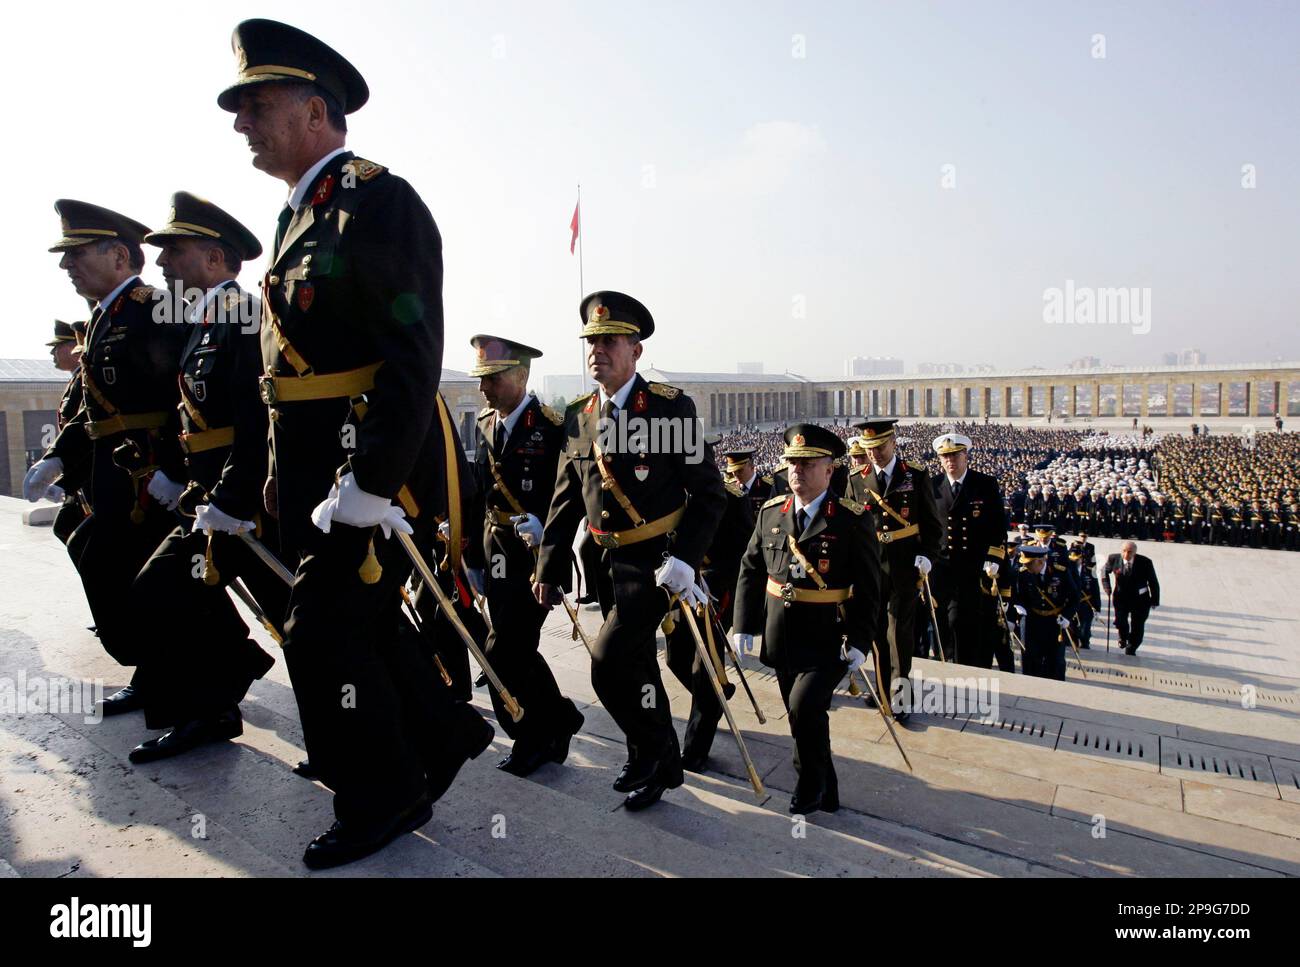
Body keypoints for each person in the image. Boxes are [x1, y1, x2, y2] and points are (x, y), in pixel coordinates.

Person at [222, 17, 491, 868]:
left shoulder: (380, 201)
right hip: (306, 469)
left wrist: (371, 481)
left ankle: (383, 794)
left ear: (314, 110)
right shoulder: (296, 217)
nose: (241, 124)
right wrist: (273, 474)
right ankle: (444, 732)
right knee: (362, 624)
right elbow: (284, 375)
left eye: (255, 105)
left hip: (360, 467)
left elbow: (413, 357)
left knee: (318, 632)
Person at [533, 290, 726, 810]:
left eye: (610, 340)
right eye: (592, 341)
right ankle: (662, 769)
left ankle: (651, 749)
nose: (598, 349)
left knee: (606, 662)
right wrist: (548, 567)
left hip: (657, 563)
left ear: (635, 351)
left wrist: (686, 560)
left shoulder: (668, 407)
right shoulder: (577, 416)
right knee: (639, 668)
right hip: (603, 562)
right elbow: (565, 498)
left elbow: (709, 493)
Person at [125, 193, 284, 763]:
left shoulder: (243, 316)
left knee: (306, 618)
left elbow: (255, 417)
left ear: (215, 259)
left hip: (243, 500)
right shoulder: (205, 321)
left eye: (174, 252)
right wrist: (176, 473)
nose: (163, 265)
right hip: (210, 493)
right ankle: (211, 708)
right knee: (175, 590)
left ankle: (420, 723)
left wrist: (232, 497)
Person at [24, 200, 188, 714]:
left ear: (119, 255)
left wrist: (177, 472)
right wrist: (59, 457)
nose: (66, 266)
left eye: (76, 254)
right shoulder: (102, 318)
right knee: (107, 561)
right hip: (111, 472)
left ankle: (189, 679)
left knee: (143, 574)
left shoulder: (154, 307)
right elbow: (93, 405)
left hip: (148, 474)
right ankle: (154, 669)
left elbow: (190, 396)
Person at [733, 424, 880, 814]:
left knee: (804, 706)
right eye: (793, 463)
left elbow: (868, 587)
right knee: (802, 717)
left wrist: (862, 640)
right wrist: (744, 624)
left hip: (828, 635)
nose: (797, 471)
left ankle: (808, 784)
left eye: (808, 463)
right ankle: (827, 791)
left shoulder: (851, 519)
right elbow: (751, 568)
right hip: (781, 635)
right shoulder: (771, 513)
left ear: (830, 470)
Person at [466, 334, 584, 776]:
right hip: (496, 549)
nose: (484, 389)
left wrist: (546, 527)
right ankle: (558, 720)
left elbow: (576, 495)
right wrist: (474, 558)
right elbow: (481, 495)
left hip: (537, 557)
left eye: (493, 378)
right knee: (517, 649)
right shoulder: (485, 423)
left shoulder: (554, 426)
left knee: (504, 648)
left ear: (521, 374)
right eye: (481, 378)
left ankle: (531, 733)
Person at [663, 435, 754, 771]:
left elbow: (746, 554)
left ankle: (696, 746)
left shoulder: (731, 497)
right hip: (677, 588)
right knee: (676, 659)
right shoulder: (666, 496)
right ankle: (715, 697)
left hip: (716, 590)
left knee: (706, 666)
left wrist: (709, 579)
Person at [845, 418, 941, 720]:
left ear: (893, 442)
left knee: (899, 633)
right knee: (875, 634)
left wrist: (928, 554)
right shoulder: (856, 479)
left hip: (904, 565)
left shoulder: (914, 474)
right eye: (870, 448)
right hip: (871, 567)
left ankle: (901, 699)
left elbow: (933, 524)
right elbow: (851, 529)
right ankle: (884, 691)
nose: (875, 454)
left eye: (880, 447)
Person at [930, 432, 1008, 668]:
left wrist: (994, 556)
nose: (950, 461)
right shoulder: (932, 486)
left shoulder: (984, 484)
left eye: (955, 455)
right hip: (942, 567)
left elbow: (998, 526)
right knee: (942, 621)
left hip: (972, 567)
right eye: (945, 457)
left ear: (966, 456)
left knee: (964, 621)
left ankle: (963, 666)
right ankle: (948, 662)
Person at [46, 320, 91, 545]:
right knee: (66, 528)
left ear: (73, 346)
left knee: (76, 535)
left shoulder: (85, 378)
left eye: (57, 348)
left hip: (89, 470)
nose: (53, 353)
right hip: (78, 473)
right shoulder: (76, 378)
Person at [1010, 544, 1078, 680]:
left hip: (1054, 621)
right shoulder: (1023, 573)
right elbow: (1014, 593)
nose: (1027, 567)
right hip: (1032, 620)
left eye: (1029, 564)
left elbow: (1075, 597)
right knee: (1030, 658)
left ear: (1040, 562)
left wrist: (1067, 617)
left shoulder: (1061, 572)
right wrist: (1019, 606)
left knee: (1055, 660)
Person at [1101, 540, 1160, 655]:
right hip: (1121, 597)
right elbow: (1104, 572)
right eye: (1124, 551)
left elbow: (1153, 582)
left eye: (1130, 552)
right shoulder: (1113, 558)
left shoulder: (1145, 562)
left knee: (1138, 626)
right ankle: (1123, 637)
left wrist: (1155, 600)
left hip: (1140, 599)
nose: (1126, 555)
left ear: (1135, 553)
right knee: (1120, 621)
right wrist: (1107, 587)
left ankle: (1131, 647)